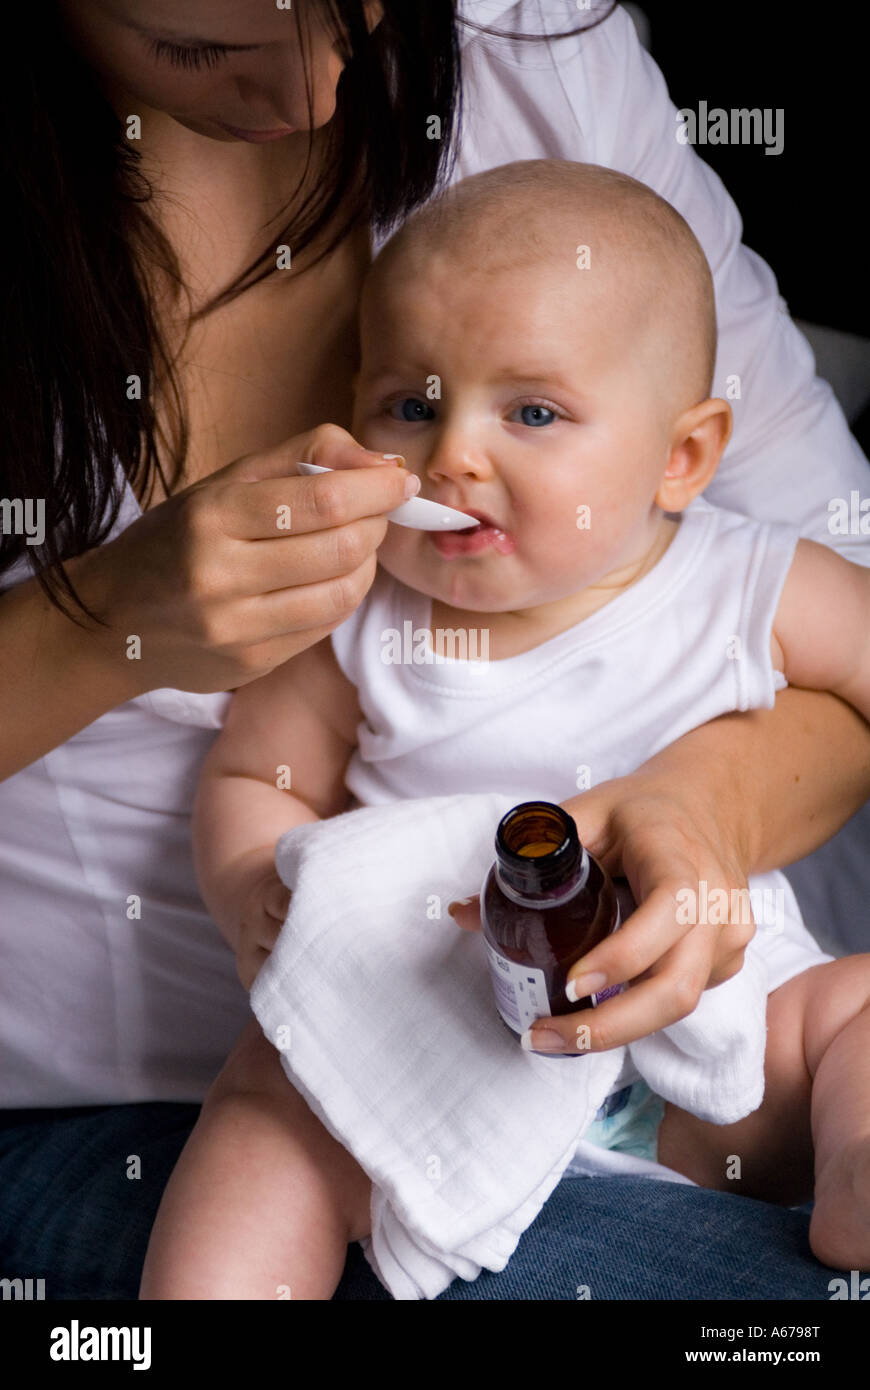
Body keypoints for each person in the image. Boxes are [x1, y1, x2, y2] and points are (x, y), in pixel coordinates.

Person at [0, 0, 867, 1301]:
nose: (453, 454)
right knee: (274, 1105)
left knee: (852, 1016)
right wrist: (254, 892)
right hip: (411, 1038)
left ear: (681, 456)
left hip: (702, 1021)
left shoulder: (739, 578)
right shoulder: (359, 616)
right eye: (410, 405)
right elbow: (261, 779)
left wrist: (704, 803)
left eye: (529, 411)